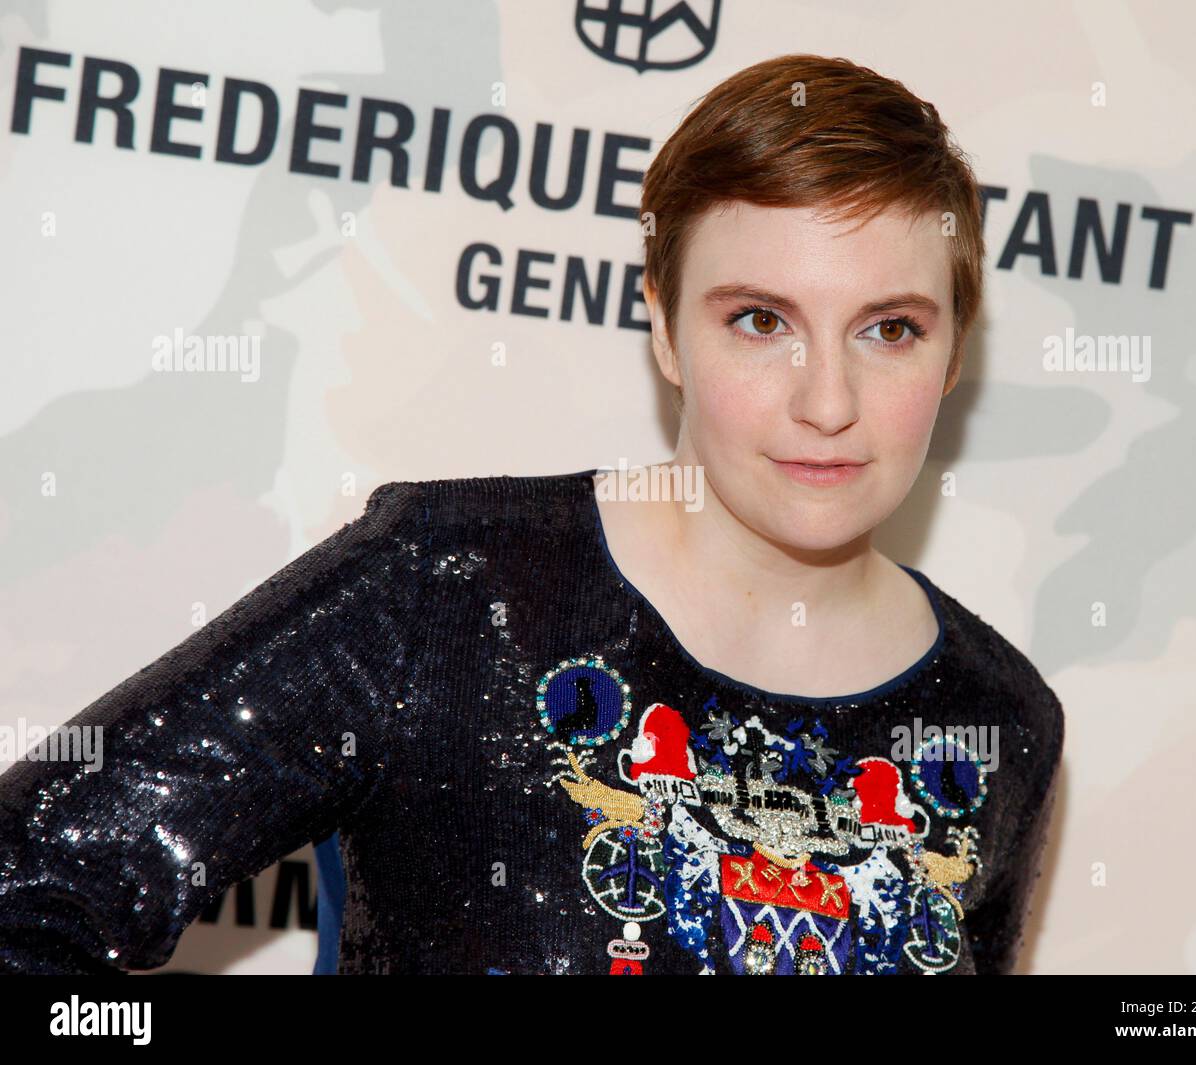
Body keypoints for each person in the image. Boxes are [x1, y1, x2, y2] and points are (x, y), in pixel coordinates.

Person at [0, 53, 1063, 976]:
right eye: (758, 319)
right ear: (663, 330)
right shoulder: (447, 588)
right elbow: (26, 884)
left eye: (888, 329)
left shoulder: (1002, 718)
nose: (825, 401)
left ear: (956, 349)